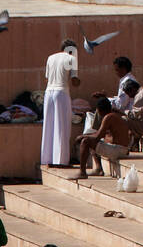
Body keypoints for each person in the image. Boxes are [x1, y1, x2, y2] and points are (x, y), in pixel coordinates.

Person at [41, 39, 81, 167]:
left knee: (49, 126)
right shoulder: (71, 59)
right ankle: (61, 161)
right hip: (61, 92)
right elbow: (74, 81)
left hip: (49, 93)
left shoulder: (50, 58)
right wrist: (78, 80)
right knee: (62, 127)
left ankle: (46, 159)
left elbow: (46, 79)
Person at [73, 96, 132, 180]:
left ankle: (82, 172)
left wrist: (81, 136)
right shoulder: (115, 115)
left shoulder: (108, 117)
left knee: (86, 141)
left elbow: (97, 137)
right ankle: (98, 168)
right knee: (91, 139)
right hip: (122, 149)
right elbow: (100, 135)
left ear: (100, 110)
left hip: (118, 150)